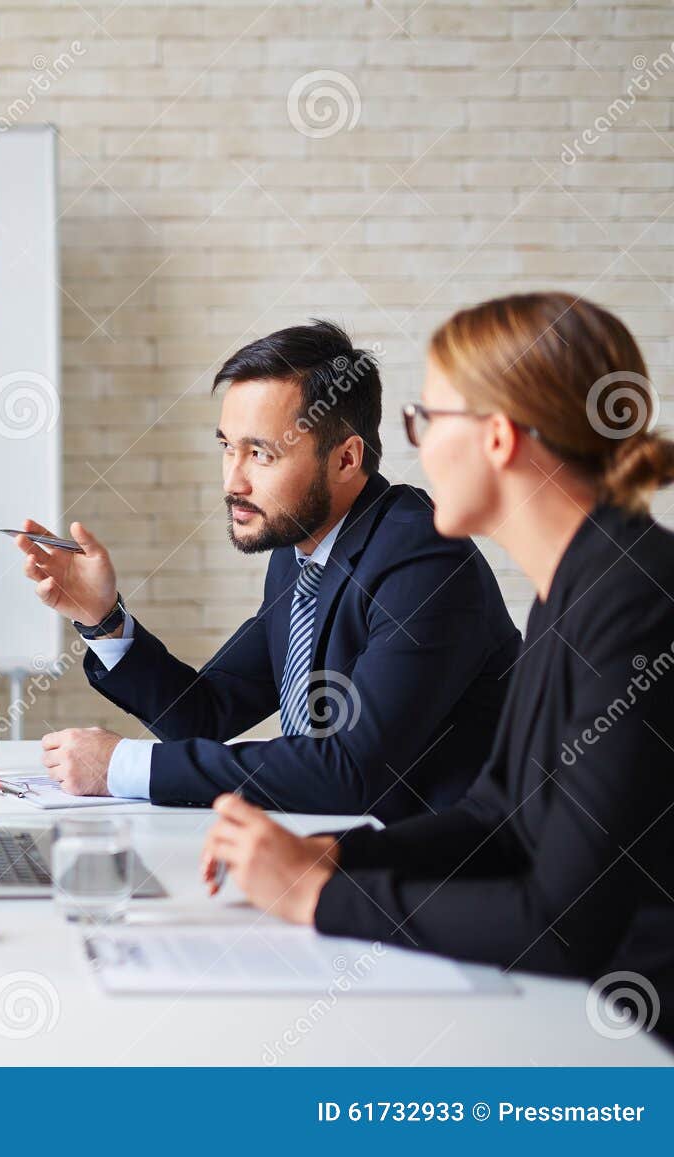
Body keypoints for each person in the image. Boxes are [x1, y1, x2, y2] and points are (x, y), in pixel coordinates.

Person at [204, 293, 674, 1045]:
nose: (416, 447)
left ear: (498, 438)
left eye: (429, 420)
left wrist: (321, 897)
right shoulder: (576, 590)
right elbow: (499, 817)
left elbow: (562, 921)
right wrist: (334, 851)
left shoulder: (636, 601)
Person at [21, 320, 519, 820]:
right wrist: (103, 618)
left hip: (445, 876)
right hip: (335, 851)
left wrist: (123, 766)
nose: (233, 481)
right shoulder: (299, 548)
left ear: (346, 459)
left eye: (260, 454)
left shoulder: (422, 558)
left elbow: (351, 770)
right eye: (226, 448)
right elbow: (207, 712)